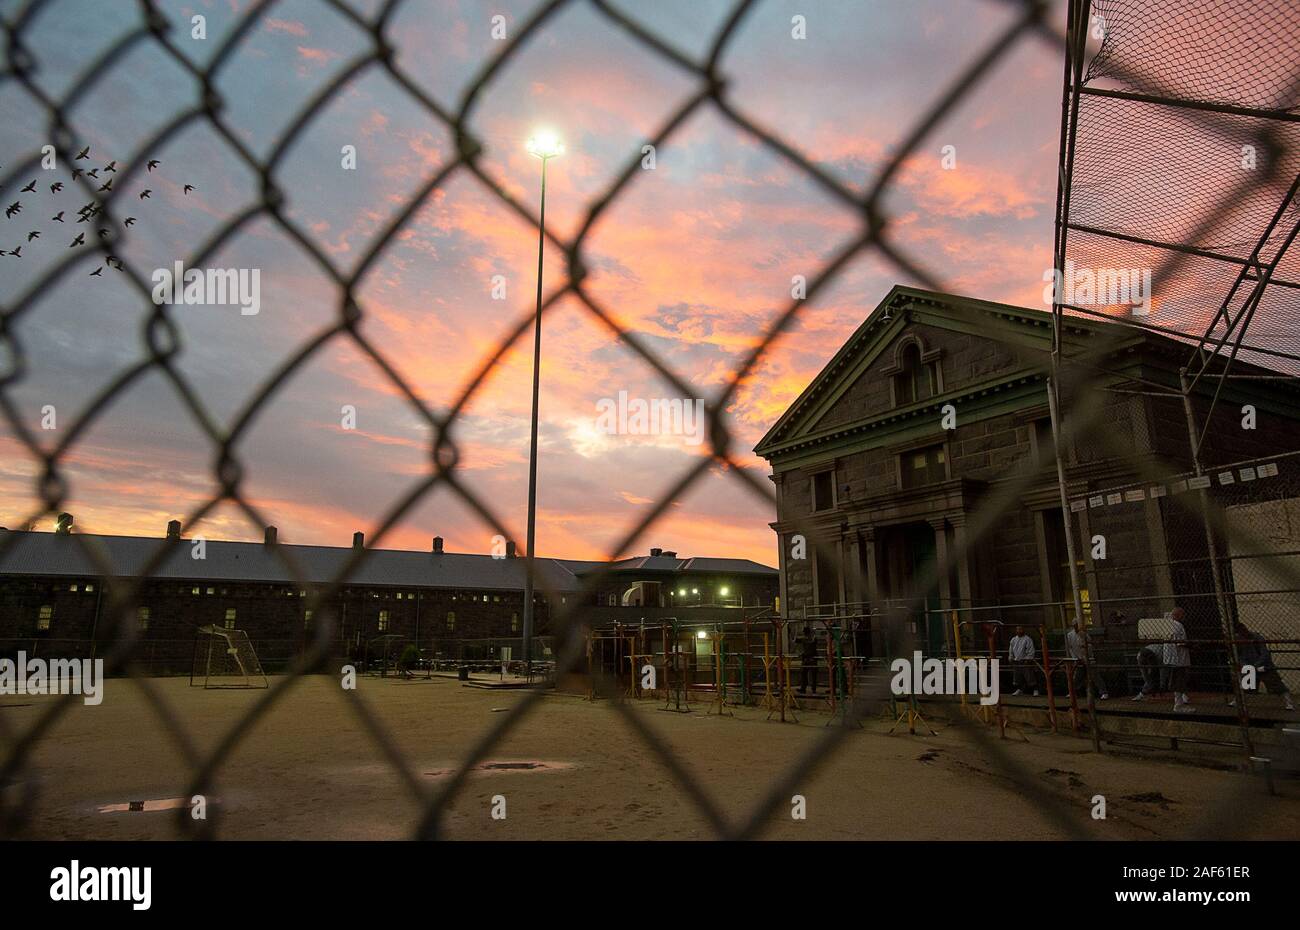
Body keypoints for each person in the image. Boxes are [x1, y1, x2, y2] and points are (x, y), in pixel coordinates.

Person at [1229, 621, 1295, 712]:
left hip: (1263, 666)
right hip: (1251, 667)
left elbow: (1264, 654)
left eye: (1243, 630)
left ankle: (1289, 703)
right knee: (1246, 685)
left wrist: (1256, 665)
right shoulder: (1239, 641)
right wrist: (1246, 666)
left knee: (1277, 685)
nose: (1243, 633)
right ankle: (1238, 701)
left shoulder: (1257, 637)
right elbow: (1240, 656)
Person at [1066, 620, 1109, 700]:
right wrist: (1075, 658)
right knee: (1077, 677)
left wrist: (1086, 657)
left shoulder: (1084, 634)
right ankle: (1073, 692)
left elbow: (1089, 645)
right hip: (1078, 658)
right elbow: (1070, 648)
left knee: (1095, 676)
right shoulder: (1070, 635)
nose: (1076, 627)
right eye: (1074, 625)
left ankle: (1104, 692)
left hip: (1088, 658)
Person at [1165, 607, 1193, 712]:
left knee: (1177, 679)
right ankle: (1178, 704)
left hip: (1172, 657)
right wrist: (1191, 645)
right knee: (1178, 679)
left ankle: (1180, 700)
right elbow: (1181, 642)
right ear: (1179, 615)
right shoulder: (1178, 626)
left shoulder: (1167, 625)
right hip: (1178, 657)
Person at [1008, 625, 1038, 695]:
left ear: (1023, 630)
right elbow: (1011, 650)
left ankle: (1035, 689)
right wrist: (1011, 657)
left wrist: (1028, 658)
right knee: (1018, 676)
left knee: (1029, 676)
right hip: (1016, 660)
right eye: (1018, 629)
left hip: (1025, 660)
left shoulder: (1028, 639)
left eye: (1020, 629)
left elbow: (1031, 650)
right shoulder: (1013, 639)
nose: (1019, 631)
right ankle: (1020, 689)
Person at [798, 627, 819, 694]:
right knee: (811, 674)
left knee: (805, 673)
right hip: (811, 658)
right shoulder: (812, 638)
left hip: (808, 658)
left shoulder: (806, 639)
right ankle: (812, 689)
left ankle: (804, 688)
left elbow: (795, 640)